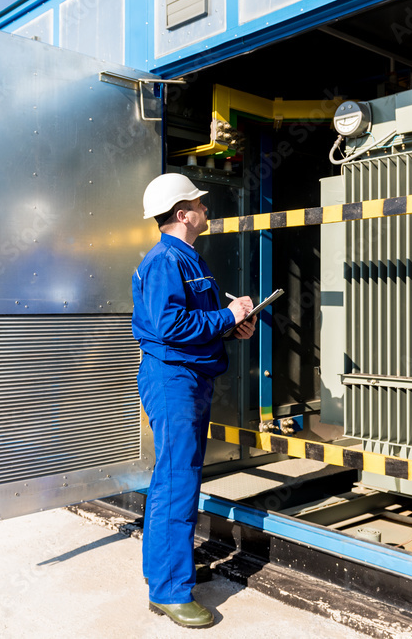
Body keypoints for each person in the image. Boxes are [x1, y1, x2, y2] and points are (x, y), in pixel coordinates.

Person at [131, 172, 255, 629]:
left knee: (177, 476)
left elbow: (191, 322)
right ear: (183, 214)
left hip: (189, 378)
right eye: (199, 204)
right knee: (176, 480)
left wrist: (232, 326)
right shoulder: (166, 260)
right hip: (173, 381)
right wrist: (227, 314)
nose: (205, 208)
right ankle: (169, 590)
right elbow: (169, 326)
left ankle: (165, 570)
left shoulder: (186, 258)